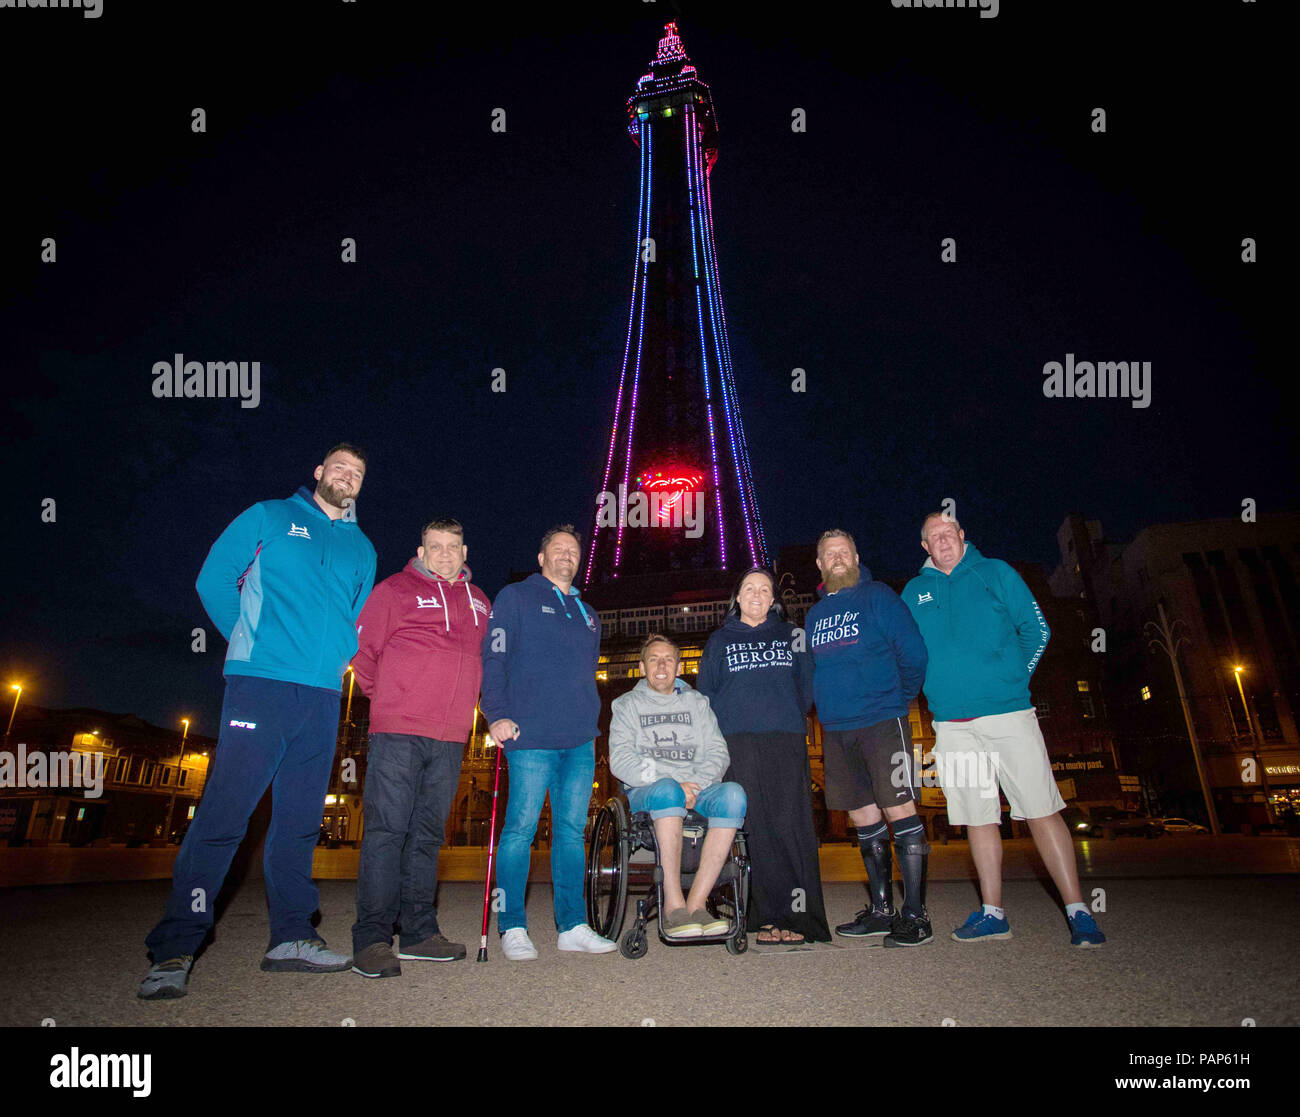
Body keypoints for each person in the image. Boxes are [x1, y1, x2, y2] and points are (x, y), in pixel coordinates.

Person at [139, 444, 377, 999]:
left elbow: (354, 618)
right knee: (225, 815)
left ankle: (292, 937)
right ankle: (175, 946)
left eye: (358, 474)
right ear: (318, 472)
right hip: (261, 686)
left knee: (297, 822)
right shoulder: (269, 516)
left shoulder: (362, 547)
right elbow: (214, 581)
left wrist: (332, 660)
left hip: (320, 699)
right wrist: (254, 645)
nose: (347, 477)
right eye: (339, 467)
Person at [903, 512, 1106, 947]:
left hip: (1008, 715)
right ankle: (993, 913)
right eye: (932, 537)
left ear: (962, 535)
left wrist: (1015, 680)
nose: (941, 541)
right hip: (953, 726)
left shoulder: (996, 572)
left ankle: (1078, 910)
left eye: (947, 533)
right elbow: (907, 650)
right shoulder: (915, 591)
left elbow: (1036, 631)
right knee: (978, 817)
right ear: (925, 547)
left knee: (1040, 809)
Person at [348, 517, 491, 978]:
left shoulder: (480, 603)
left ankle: (418, 932)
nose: (445, 553)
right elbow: (362, 651)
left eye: (453, 546)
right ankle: (371, 937)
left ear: (465, 552)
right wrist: (391, 698)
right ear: (421, 549)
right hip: (398, 731)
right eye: (436, 546)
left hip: (451, 737)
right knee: (388, 832)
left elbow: (489, 665)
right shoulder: (394, 591)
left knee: (428, 836)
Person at [480, 524, 617, 959]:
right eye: (558, 549)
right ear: (541, 558)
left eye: (573, 551)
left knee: (572, 833)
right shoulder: (515, 597)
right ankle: (512, 925)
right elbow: (494, 657)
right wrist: (496, 713)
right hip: (530, 735)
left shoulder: (589, 613)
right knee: (520, 830)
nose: (566, 556)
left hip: (578, 739)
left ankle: (572, 924)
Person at [806, 529, 932, 947]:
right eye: (829, 554)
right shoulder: (814, 615)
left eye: (844, 552)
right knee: (862, 817)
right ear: (820, 565)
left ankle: (916, 915)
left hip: (881, 721)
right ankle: (881, 910)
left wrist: (898, 698)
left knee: (899, 809)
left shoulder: (879, 596)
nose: (837, 558)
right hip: (837, 730)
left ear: (856, 557)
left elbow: (914, 652)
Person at [698, 568, 829, 944]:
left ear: (774, 599)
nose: (757, 594)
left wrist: (779, 715)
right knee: (752, 829)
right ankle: (764, 917)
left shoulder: (795, 636)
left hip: (783, 739)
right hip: (737, 742)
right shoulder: (720, 640)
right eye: (749, 588)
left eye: (765, 589)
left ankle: (799, 916)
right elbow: (706, 693)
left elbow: (805, 690)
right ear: (737, 597)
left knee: (791, 825)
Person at [610, 635, 748, 937]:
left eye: (668, 659)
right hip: (651, 789)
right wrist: (669, 781)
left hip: (697, 787)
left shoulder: (697, 703)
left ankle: (697, 903)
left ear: (679, 665)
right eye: (654, 659)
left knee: (734, 795)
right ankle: (674, 906)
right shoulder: (627, 705)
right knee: (668, 791)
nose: (661, 665)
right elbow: (621, 760)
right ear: (642, 666)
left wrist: (696, 784)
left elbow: (717, 751)